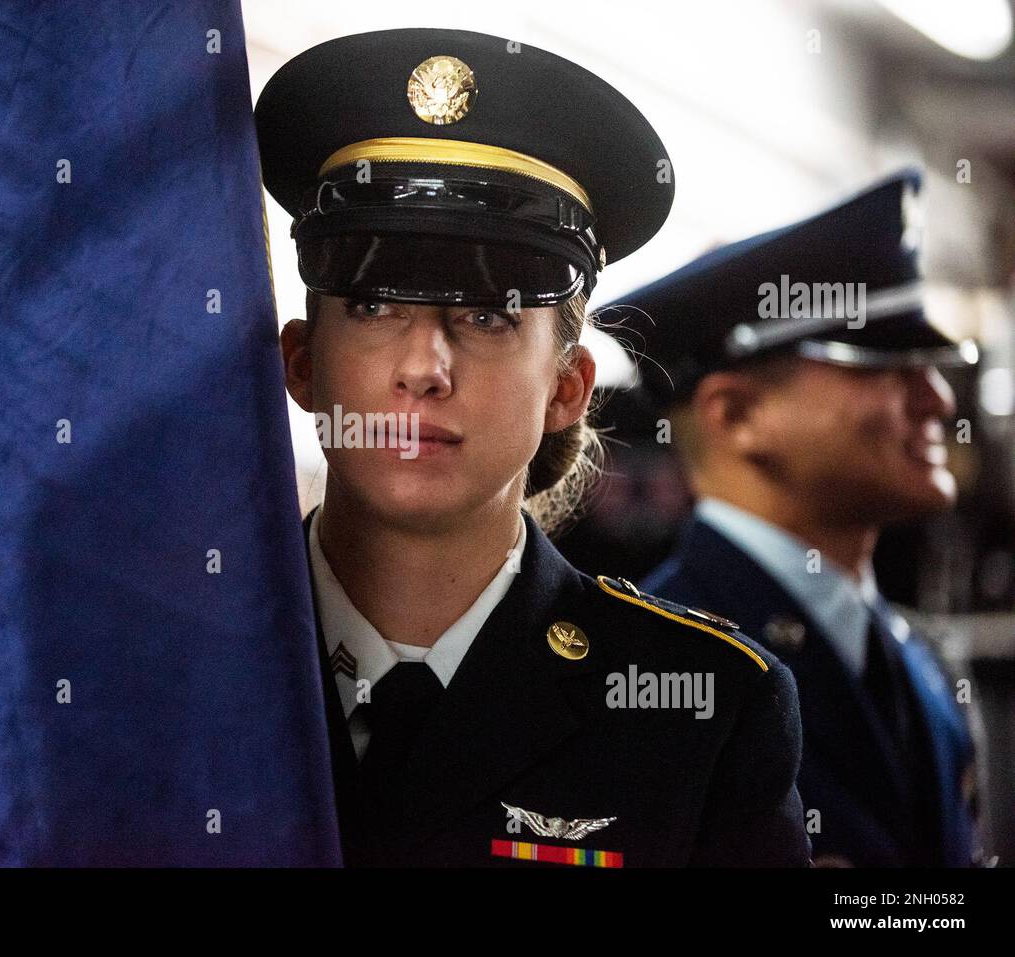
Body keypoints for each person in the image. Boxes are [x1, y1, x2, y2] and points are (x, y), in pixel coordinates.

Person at [254, 27, 810, 867]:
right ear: (301, 362)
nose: (424, 368)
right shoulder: (177, 668)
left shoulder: (704, 715)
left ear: (568, 388)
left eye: (487, 317)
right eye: (372, 306)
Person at [624, 170, 982, 867]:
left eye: (928, 363)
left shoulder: (918, 658)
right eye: (882, 362)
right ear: (737, 414)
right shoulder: (655, 676)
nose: (938, 399)